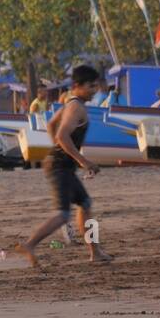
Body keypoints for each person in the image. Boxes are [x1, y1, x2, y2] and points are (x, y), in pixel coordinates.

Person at [15, 65, 113, 268]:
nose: (94, 90)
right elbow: (61, 135)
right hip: (60, 167)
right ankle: (30, 244)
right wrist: (83, 161)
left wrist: (59, 151)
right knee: (63, 214)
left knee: (85, 204)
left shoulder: (71, 104)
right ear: (77, 86)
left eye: (96, 85)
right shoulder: (76, 107)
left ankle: (95, 252)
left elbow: (51, 125)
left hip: (61, 165)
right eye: (90, 86)